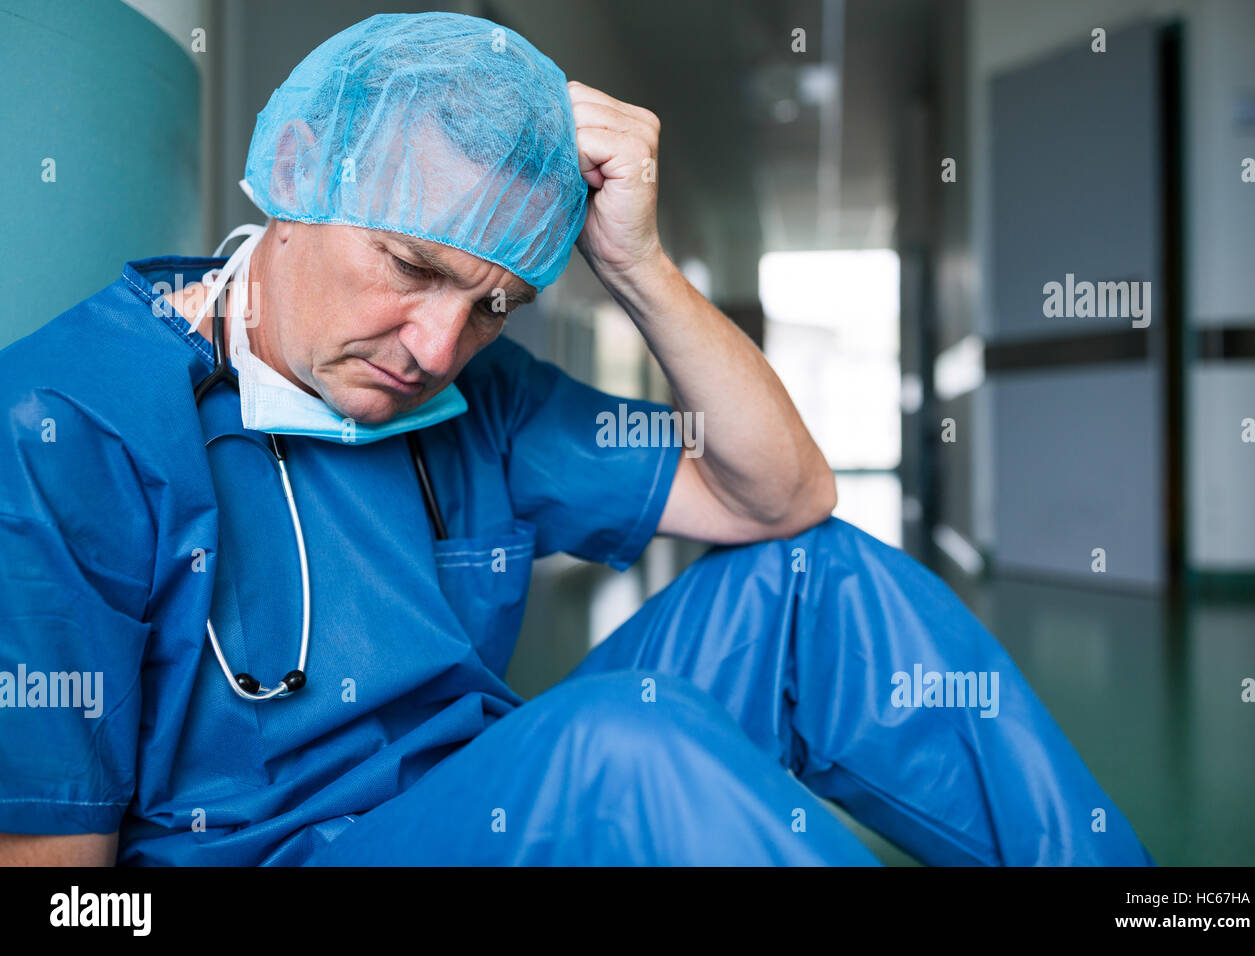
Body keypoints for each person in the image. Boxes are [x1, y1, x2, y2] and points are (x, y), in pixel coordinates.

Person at [0, 11, 1153, 867]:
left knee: (814, 580)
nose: (441, 344)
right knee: (616, 742)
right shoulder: (69, 422)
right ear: (299, 176)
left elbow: (781, 498)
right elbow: (56, 882)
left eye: (496, 301)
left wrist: (640, 266)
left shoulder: (478, 398)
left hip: (471, 807)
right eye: (412, 267)